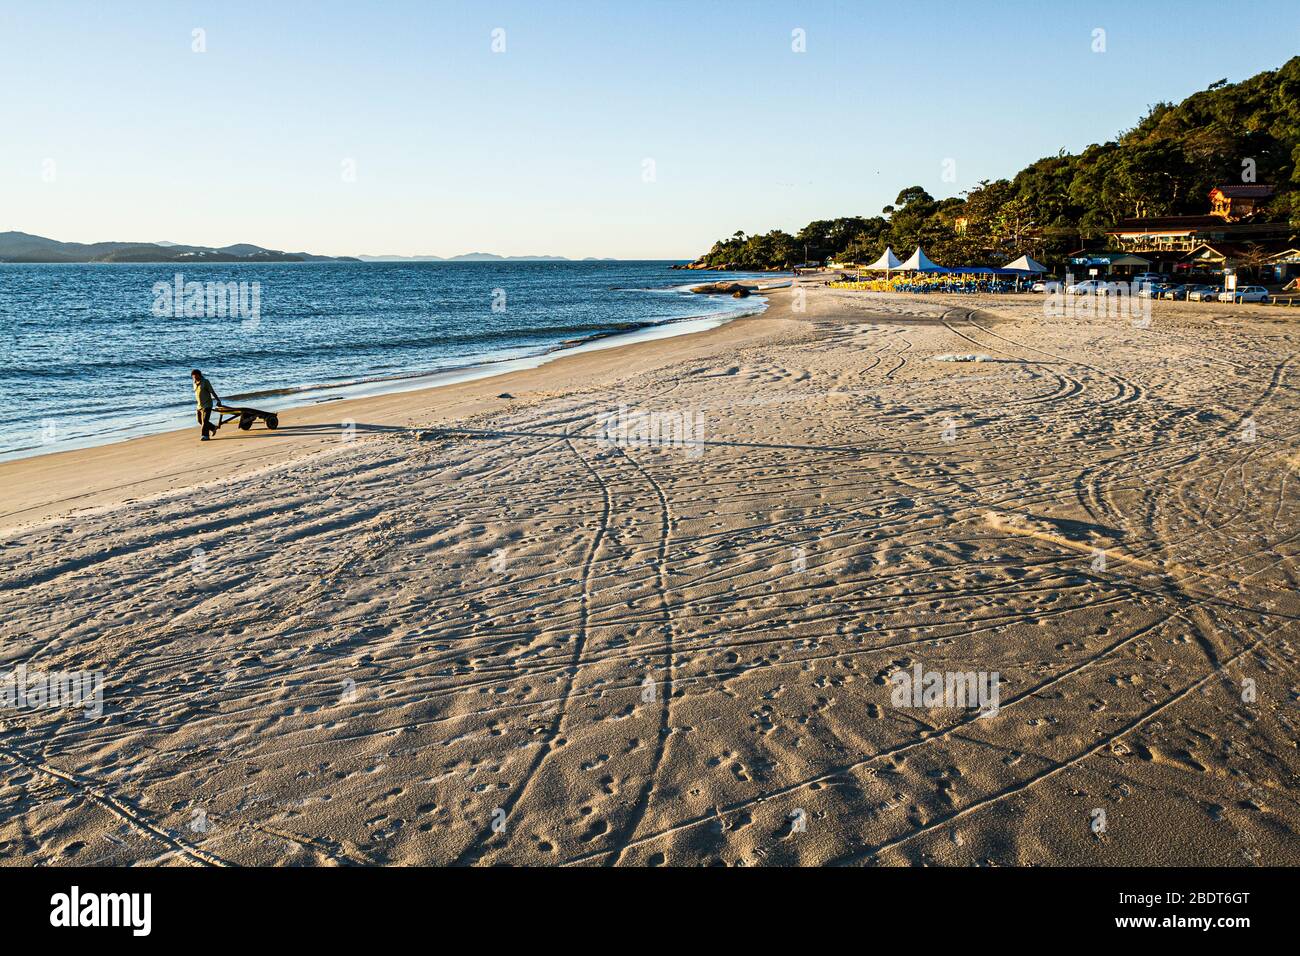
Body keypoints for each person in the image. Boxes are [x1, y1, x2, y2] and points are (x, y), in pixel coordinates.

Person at [192, 369, 221, 440]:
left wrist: (218, 400)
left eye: (195, 375)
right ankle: (213, 428)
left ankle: (205, 436)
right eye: (193, 376)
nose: (194, 377)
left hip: (207, 404)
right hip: (199, 406)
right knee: (200, 421)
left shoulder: (205, 382)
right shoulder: (194, 383)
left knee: (205, 421)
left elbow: (212, 391)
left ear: (199, 375)